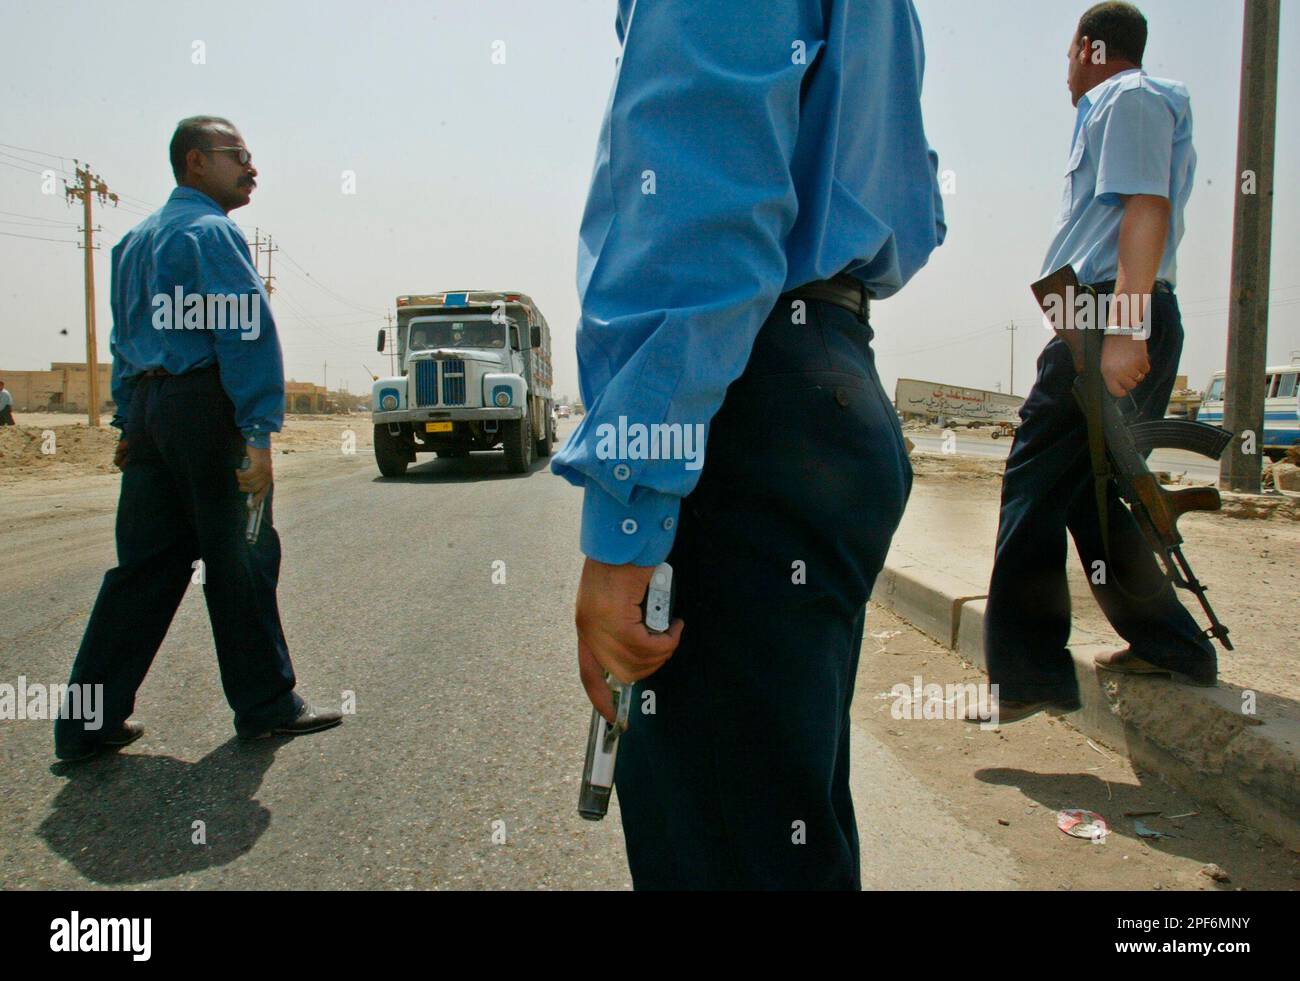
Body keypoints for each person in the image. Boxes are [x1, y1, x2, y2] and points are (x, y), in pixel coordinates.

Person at [552, 1, 945, 889]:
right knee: (780, 828)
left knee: (726, 847)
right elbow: (912, 200)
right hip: (830, 370)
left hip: (748, 397)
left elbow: (699, 215)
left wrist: (626, 519)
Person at [54, 116, 341, 763]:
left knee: (145, 568)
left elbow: (125, 343)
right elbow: (244, 333)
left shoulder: (132, 243)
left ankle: (86, 723)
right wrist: (259, 433)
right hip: (205, 406)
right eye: (236, 154)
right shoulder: (212, 233)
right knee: (239, 555)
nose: (251, 167)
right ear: (194, 163)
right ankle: (266, 705)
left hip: (154, 411)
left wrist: (130, 421)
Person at [977, 2, 1214, 726]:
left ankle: (1028, 672)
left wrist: (1125, 329)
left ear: (1088, 46)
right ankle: (1172, 645)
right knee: (1088, 493)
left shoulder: (1129, 97)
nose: (1067, 69)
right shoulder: (1116, 106)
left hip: (1109, 314)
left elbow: (1147, 208)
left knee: (1033, 482)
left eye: (1069, 53)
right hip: (1099, 312)